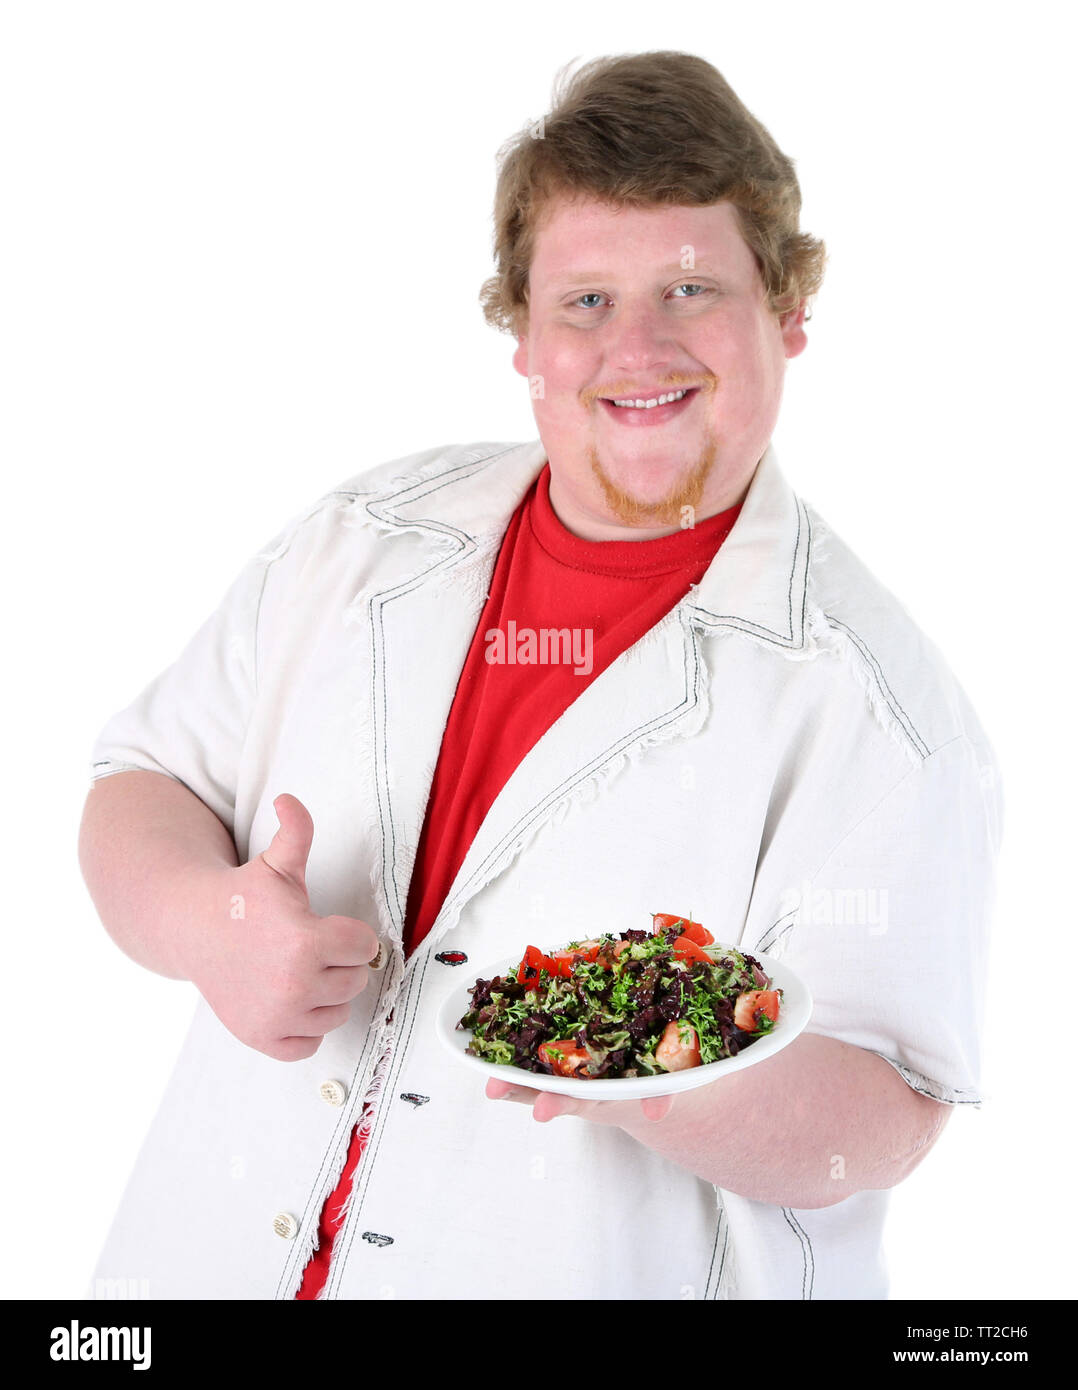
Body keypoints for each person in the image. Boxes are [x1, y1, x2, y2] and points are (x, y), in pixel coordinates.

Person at [79, 50, 1001, 1301]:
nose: (637, 346)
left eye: (691, 287)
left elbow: (889, 1111)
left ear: (787, 308)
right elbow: (143, 780)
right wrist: (210, 924)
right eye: (583, 302)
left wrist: (634, 1066)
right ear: (521, 330)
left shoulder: (883, 716)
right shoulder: (361, 537)